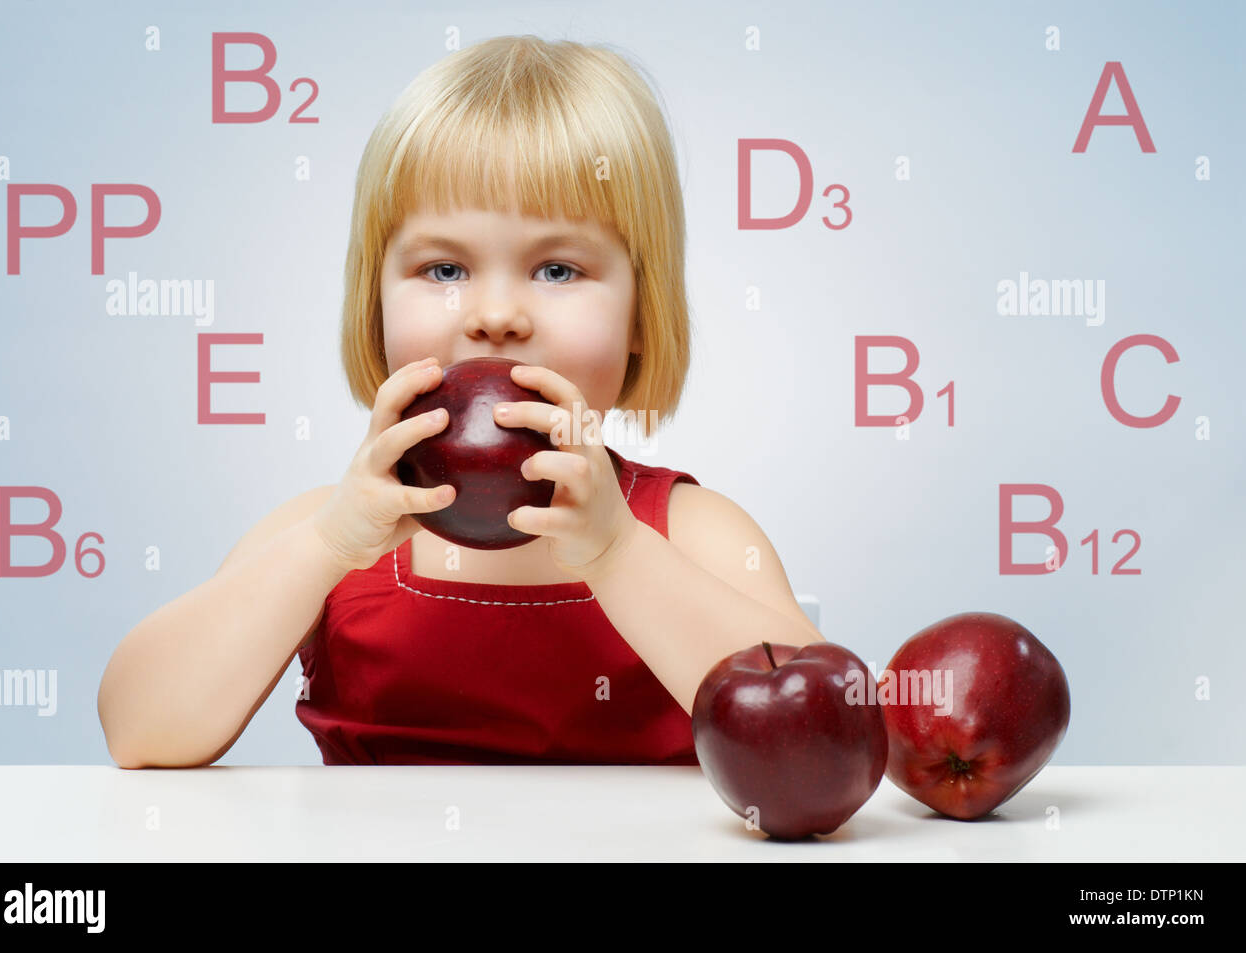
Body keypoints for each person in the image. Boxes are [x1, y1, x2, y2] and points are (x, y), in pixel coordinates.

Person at [97, 35, 821, 768]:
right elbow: (138, 727)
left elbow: (821, 731)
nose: (496, 314)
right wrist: (327, 544)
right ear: (373, 308)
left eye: (558, 269)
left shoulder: (693, 534)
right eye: (444, 267)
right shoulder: (328, 535)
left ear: (641, 316)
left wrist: (617, 551)